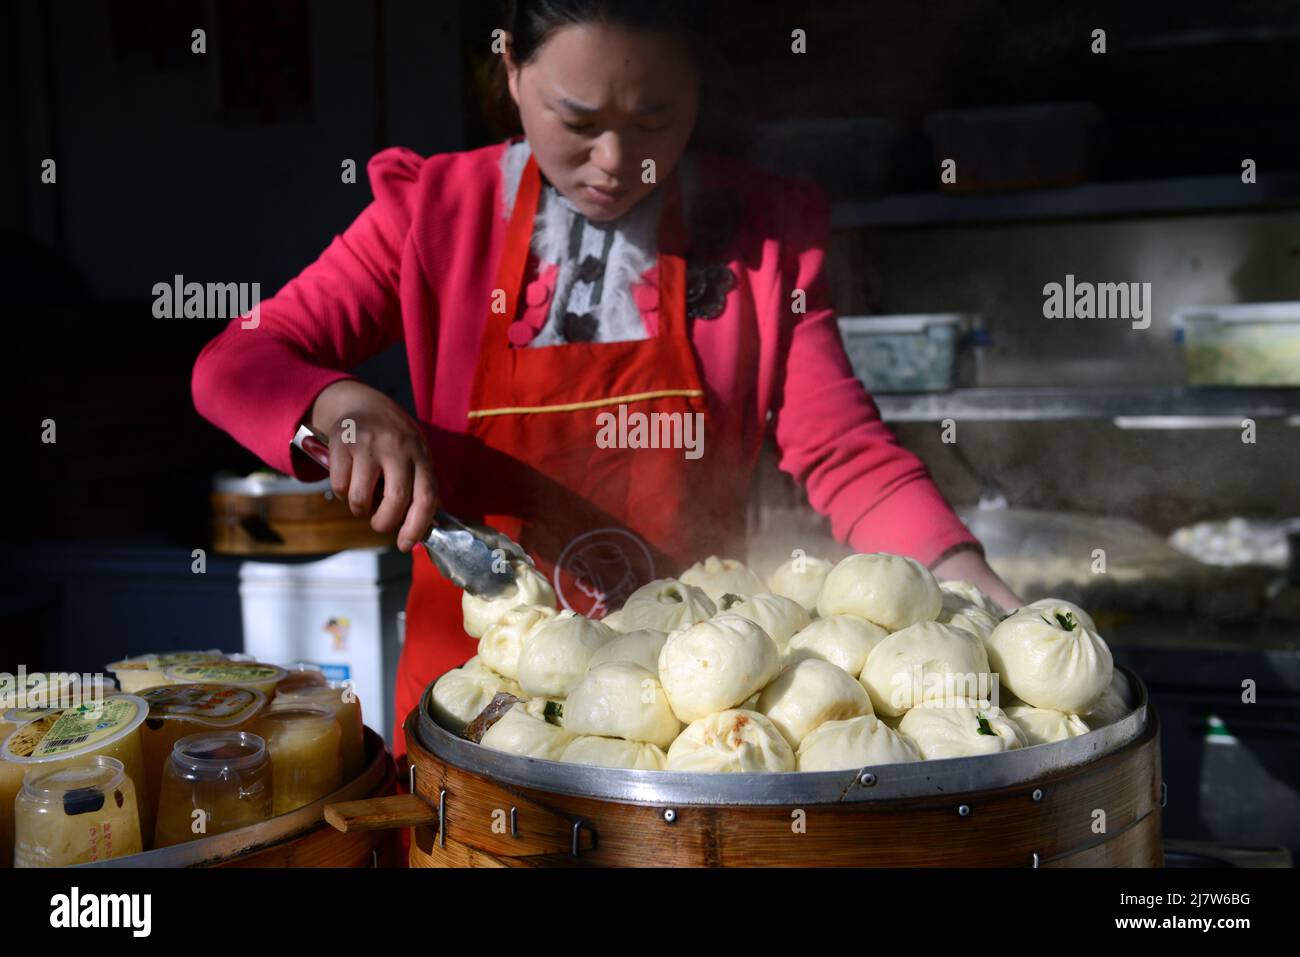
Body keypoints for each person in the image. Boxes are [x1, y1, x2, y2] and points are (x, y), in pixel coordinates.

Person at [192, 0, 1020, 756]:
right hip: (480, 717)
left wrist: (962, 576)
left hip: (692, 737)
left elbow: (845, 449)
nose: (618, 163)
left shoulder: (761, 234)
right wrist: (335, 404)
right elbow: (235, 363)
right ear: (512, 69)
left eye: (656, 117)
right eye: (578, 121)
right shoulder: (434, 217)